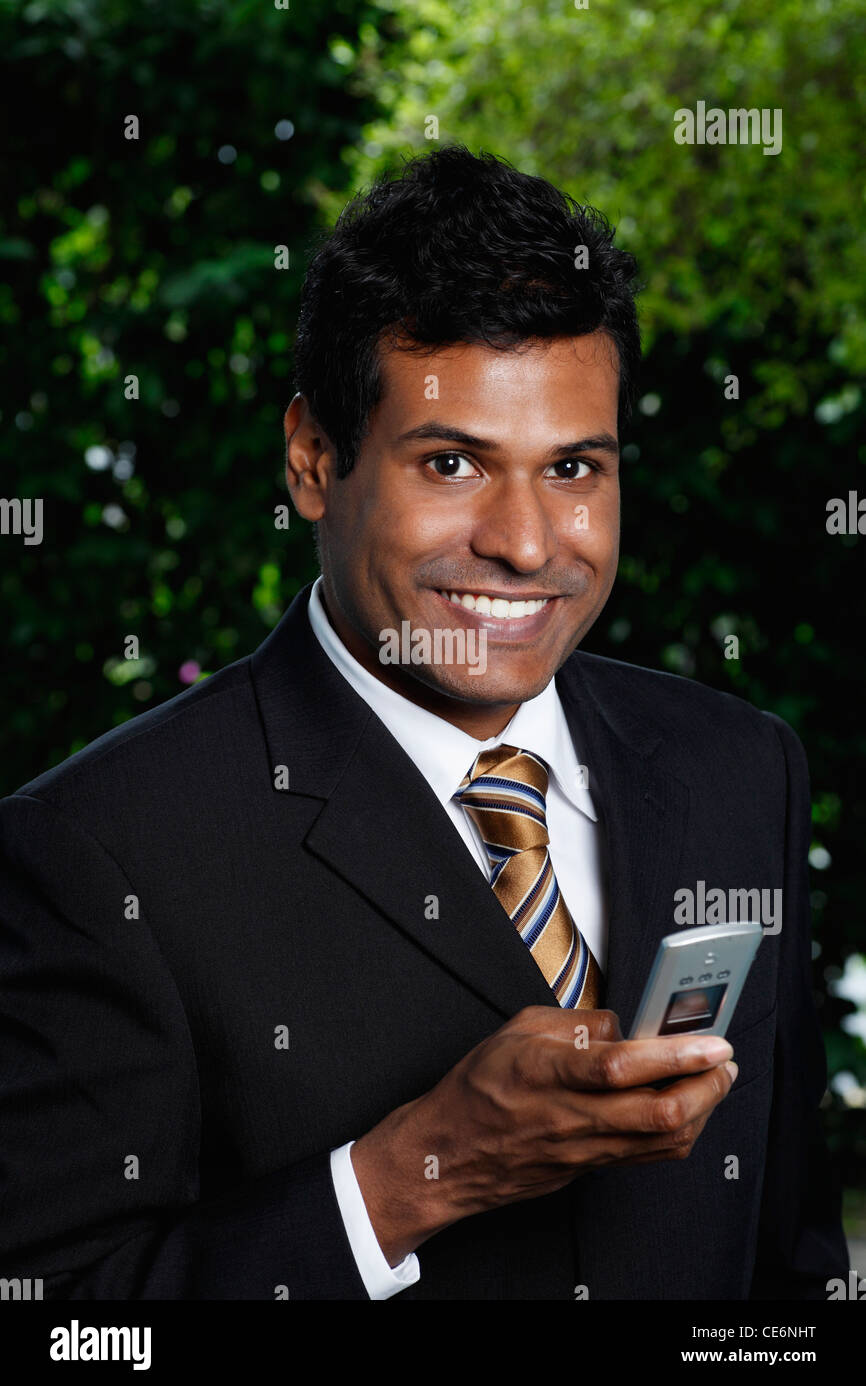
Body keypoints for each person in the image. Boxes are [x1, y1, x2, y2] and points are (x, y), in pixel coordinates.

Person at [0, 145, 848, 1300]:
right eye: (451, 462)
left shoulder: (740, 769)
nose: (527, 542)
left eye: (573, 469)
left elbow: (786, 1266)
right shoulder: (97, 851)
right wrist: (409, 1176)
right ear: (312, 457)